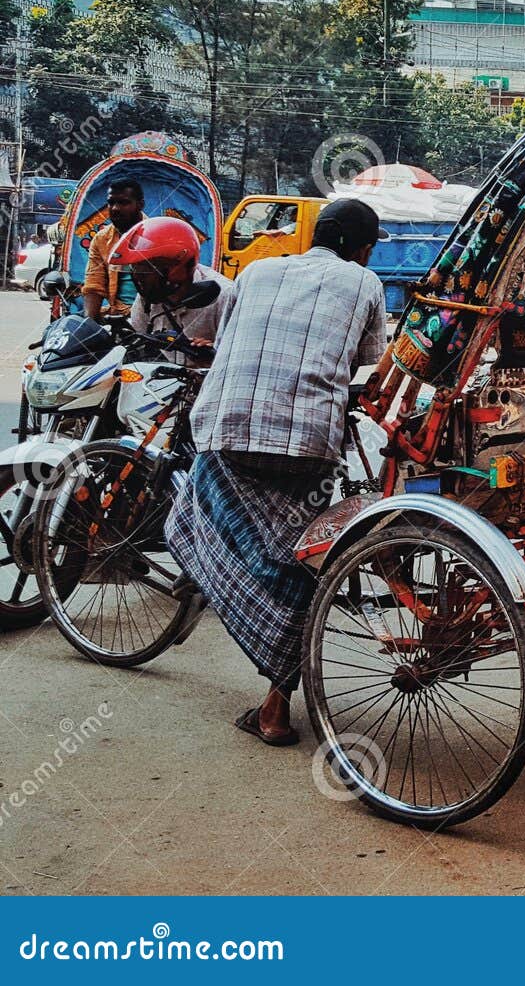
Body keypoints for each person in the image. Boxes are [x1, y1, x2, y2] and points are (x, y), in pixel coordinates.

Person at [164, 198, 389, 747]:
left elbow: (233, 335)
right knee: (293, 562)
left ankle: (220, 590)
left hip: (227, 426)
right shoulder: (365, 285)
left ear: (315, 232)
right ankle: (276, 703)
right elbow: (370, 358)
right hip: (308, 443)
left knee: (206, 525)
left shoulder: (259, 270)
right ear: (363, 248)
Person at [111, 217, 235, 365]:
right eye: (136, 267)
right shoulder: (149, 295)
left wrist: (214, 354)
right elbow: (138, 341)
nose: (138, 276)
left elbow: (240, 357)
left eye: (147, 268)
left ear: (177, 267)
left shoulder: (224, 296)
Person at [82, 179, 145, 322]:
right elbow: (93, 285)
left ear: (140, 205)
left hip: (152, 316)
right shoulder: (101, 239)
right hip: (116, 315)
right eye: (111, 203)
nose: (115, 208)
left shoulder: (158, 235)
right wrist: (89, 324)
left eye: (123, 203)